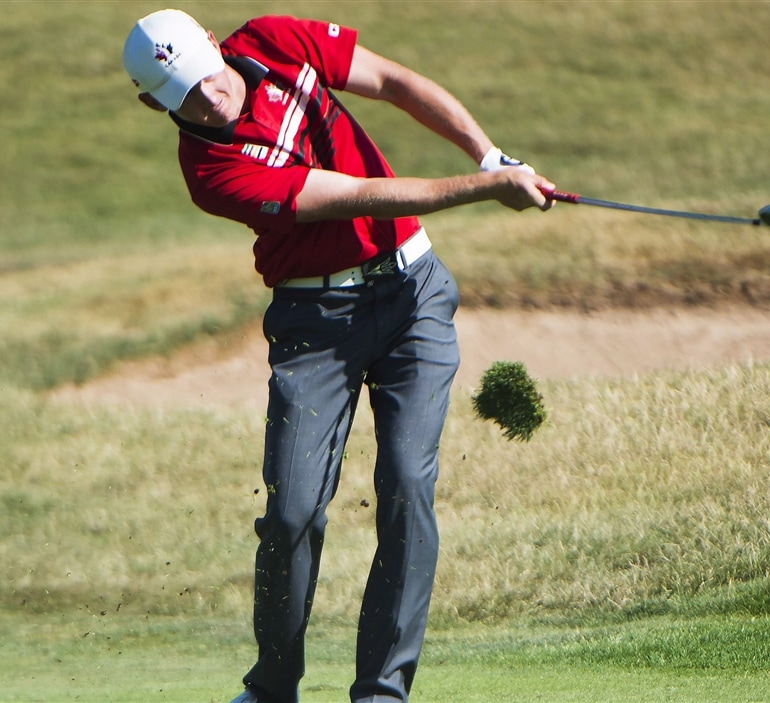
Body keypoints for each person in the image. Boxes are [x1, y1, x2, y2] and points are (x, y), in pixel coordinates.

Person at [122, 9, 553, 703]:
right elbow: (355, 196)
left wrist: (489, 156)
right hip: (315, 324)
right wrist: (485, 191)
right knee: (292, 511)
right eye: (184, 96)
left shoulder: (272, 39)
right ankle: (272, 688)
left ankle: (382, 691)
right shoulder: (210, 172)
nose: (209, 96)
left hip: (414, 295)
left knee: (407, 486)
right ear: (154, 105)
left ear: (212, 42)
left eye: (205, 75)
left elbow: (392, 81)